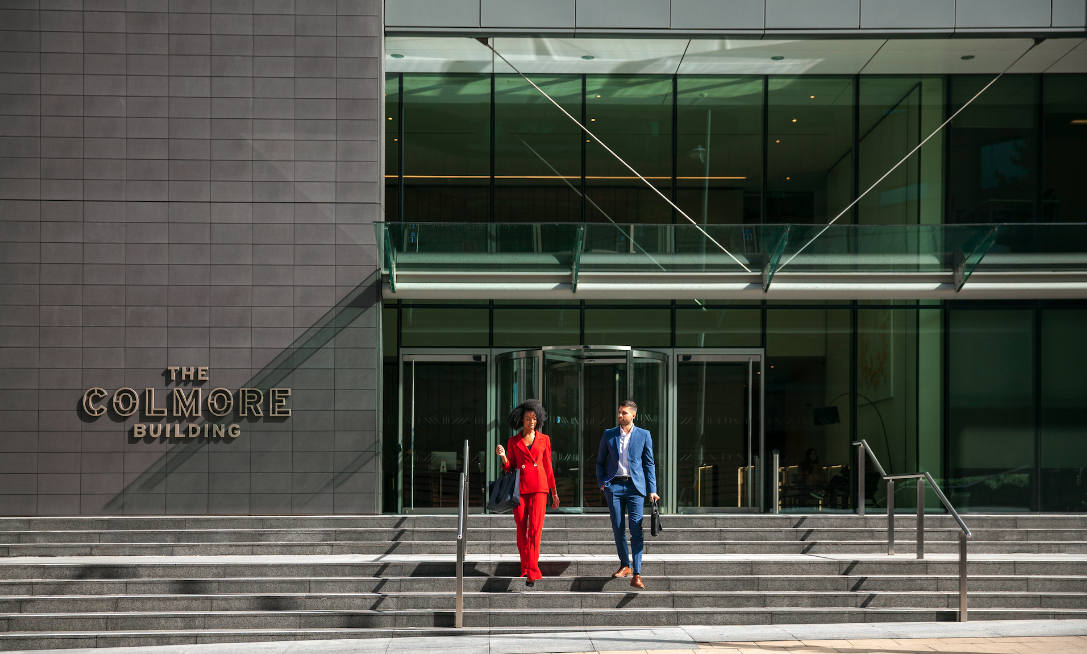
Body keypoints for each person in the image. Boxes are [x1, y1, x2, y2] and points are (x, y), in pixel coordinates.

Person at [595, 400, 659, 590]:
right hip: (613, 486)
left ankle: (637, 573)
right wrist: (602, 483)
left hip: (635, 488)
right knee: (618, 526)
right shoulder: (609, 434)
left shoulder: (644, 435)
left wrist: (652, 489)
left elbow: (649, 464)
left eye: (623, 413)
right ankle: (625, 565)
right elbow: (600, 461)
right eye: (619, 412)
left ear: (633, 415)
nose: (620, 415)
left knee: (636, 529)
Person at [495, 398, 559, 587]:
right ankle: (526, 566)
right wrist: (503, 456)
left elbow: (548, 467)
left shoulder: (544, 439)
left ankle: (532, 570)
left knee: (535, 531)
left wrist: (554, 493)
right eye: (527, 419)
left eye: (534, 419)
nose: (531, 422)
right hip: (520, 490)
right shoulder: (513, 441)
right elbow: (509, 468)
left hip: (540, 489)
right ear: (520, 420)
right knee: (522, 530)